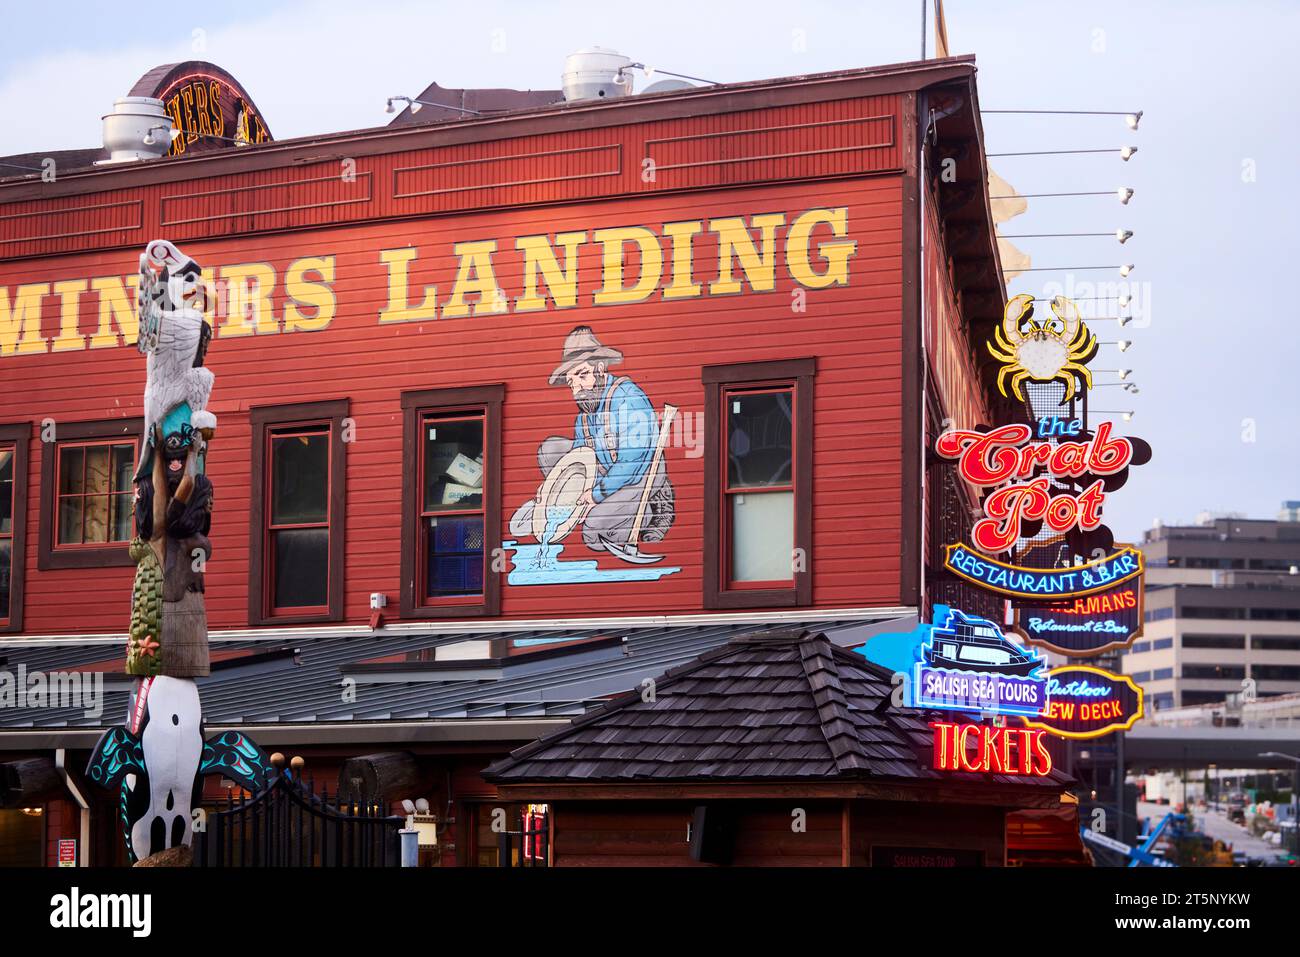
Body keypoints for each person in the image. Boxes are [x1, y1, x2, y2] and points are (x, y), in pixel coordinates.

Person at [509, 326, 674, 559]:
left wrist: (595, 495)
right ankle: (597, 506)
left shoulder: (628, 400)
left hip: (639, 475)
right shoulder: (586, 410)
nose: (576, 388)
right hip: (606, 469)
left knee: (594, 536)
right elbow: (579, 456)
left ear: (599, 368)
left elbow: (631, 463)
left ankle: (647, 511)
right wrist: (550, 489)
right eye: (571, 381)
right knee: (550, 450)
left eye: (582, 375)